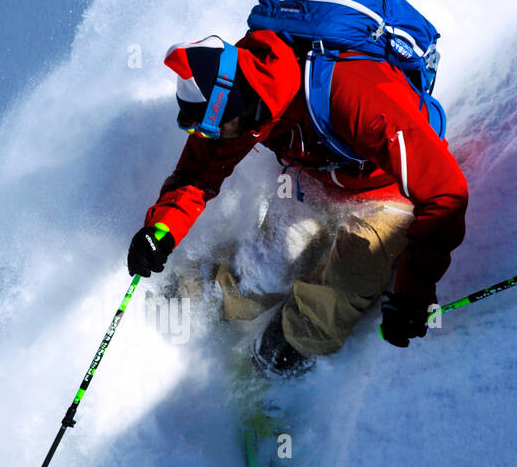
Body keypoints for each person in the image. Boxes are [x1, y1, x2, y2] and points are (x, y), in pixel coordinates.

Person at [126, 31, 468, 376]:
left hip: (388, 191)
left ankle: (271, 364)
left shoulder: (353, 94)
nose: (211, 139)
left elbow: (445, 192)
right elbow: (198, 172)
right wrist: (161, 229)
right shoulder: (242, 107)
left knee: (339, 295)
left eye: (210, 129)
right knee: (264, 270)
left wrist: (413, 294)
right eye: (200, 133)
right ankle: (188, 296)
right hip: (315, 179)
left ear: (230, 105)